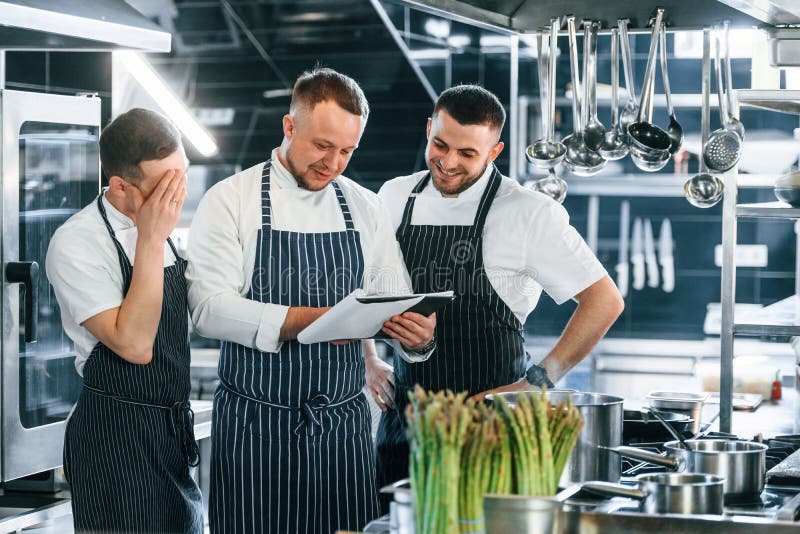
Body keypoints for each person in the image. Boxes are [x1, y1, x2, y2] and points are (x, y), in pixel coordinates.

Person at [186, 67, 435, 534]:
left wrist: (416, 340)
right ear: (290, 125)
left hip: (343, 430)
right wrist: (316, 320)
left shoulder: (364, 206)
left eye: (347, 150)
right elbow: (208, 308)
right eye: (323, 146)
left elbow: (391, 299)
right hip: (256, 429)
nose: (334, 163)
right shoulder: (230, 199)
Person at [372, 84, 625, 500]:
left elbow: (604, 301)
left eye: (467, 154)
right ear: (428, 128)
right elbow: (367, 284)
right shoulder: (395, 196)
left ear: (494, 151)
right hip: (406, 429)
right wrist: (368, 358)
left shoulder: (528, 213)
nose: (448, 162)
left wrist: (537, 382)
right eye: (440, 144)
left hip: (490, 431)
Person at [46, 108, 203, 533]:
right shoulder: (78, 243)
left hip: (170, 436)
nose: (178, 196)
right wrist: (151, 238)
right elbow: (134, 345)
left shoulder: (166, 232)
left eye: (181, 177)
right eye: (165, 187)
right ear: (120, 186)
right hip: (114, 446)